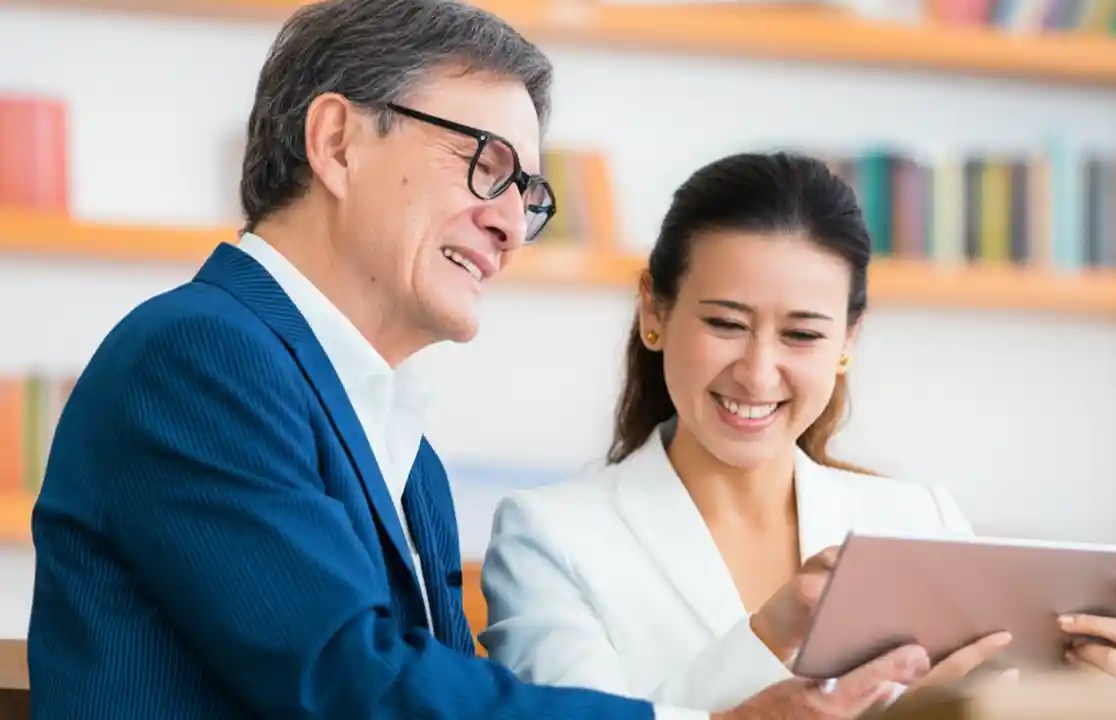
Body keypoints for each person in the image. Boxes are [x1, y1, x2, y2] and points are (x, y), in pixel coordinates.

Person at [25, 1, 935, 718]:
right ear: (337, 141)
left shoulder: (401, 451)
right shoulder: (201, 355)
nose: (510, 221)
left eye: (528, 194)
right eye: (487, 166)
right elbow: (346, 681)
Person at [479, 151, 1116, 711]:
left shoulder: (916, 518)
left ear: (846, 342)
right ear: (654, 312)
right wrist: (770, 633)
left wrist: (1090, 699)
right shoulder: (550, 536)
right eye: (725, 323)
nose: (757, 372)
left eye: (802, 334)